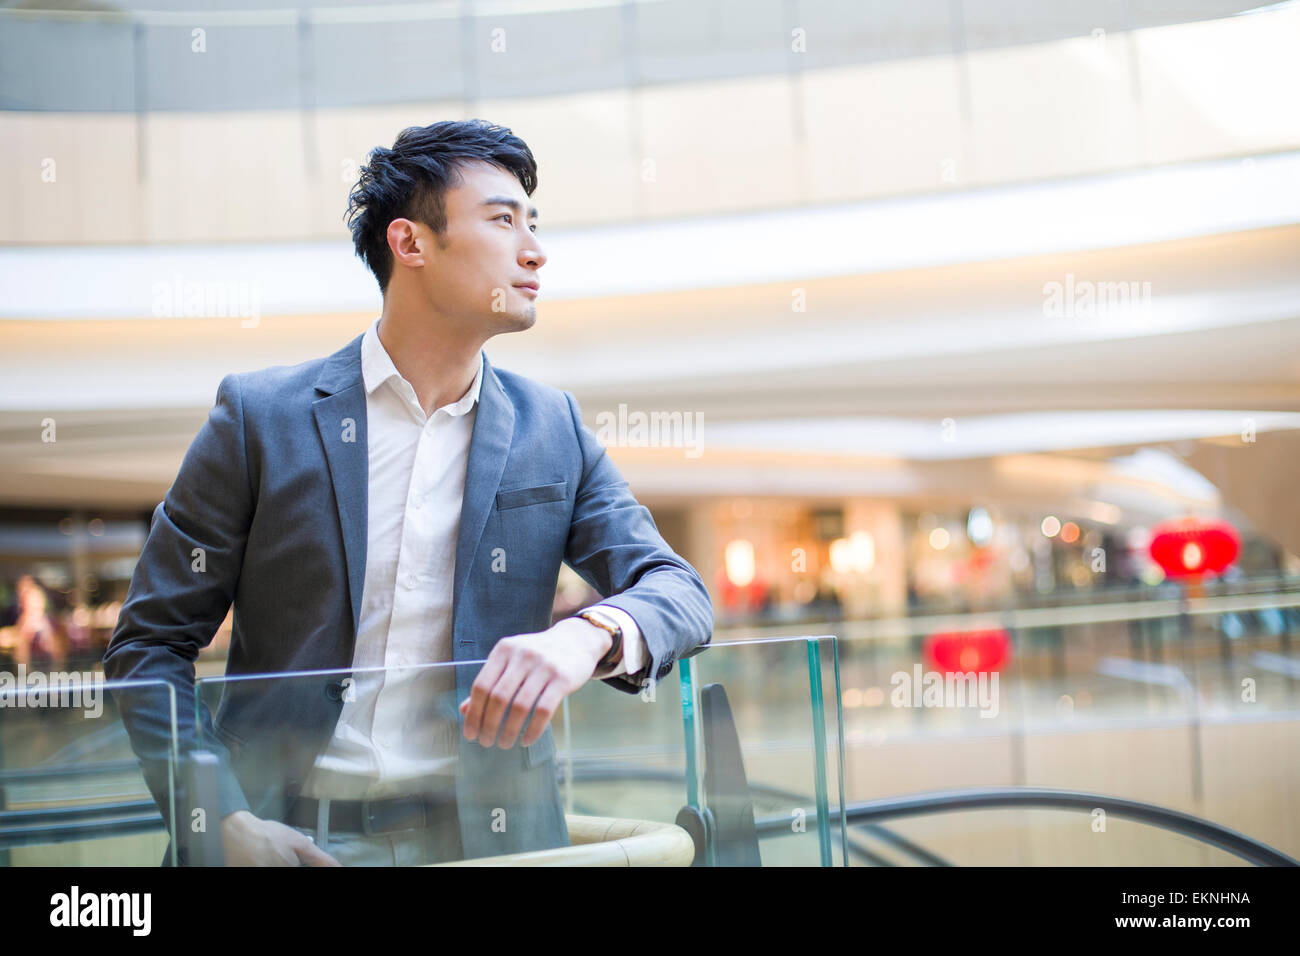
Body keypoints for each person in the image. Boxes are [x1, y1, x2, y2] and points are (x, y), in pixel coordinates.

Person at [104, 119, 714, 866]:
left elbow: (678, 591)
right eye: (502, 219)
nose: (535, 250)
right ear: (411, 243)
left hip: (490, 847)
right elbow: (150, 645)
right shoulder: (260, 420)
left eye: (534, 222)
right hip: (285, 840)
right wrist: (218, 819)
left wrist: (585, 637)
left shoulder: (552, 428)